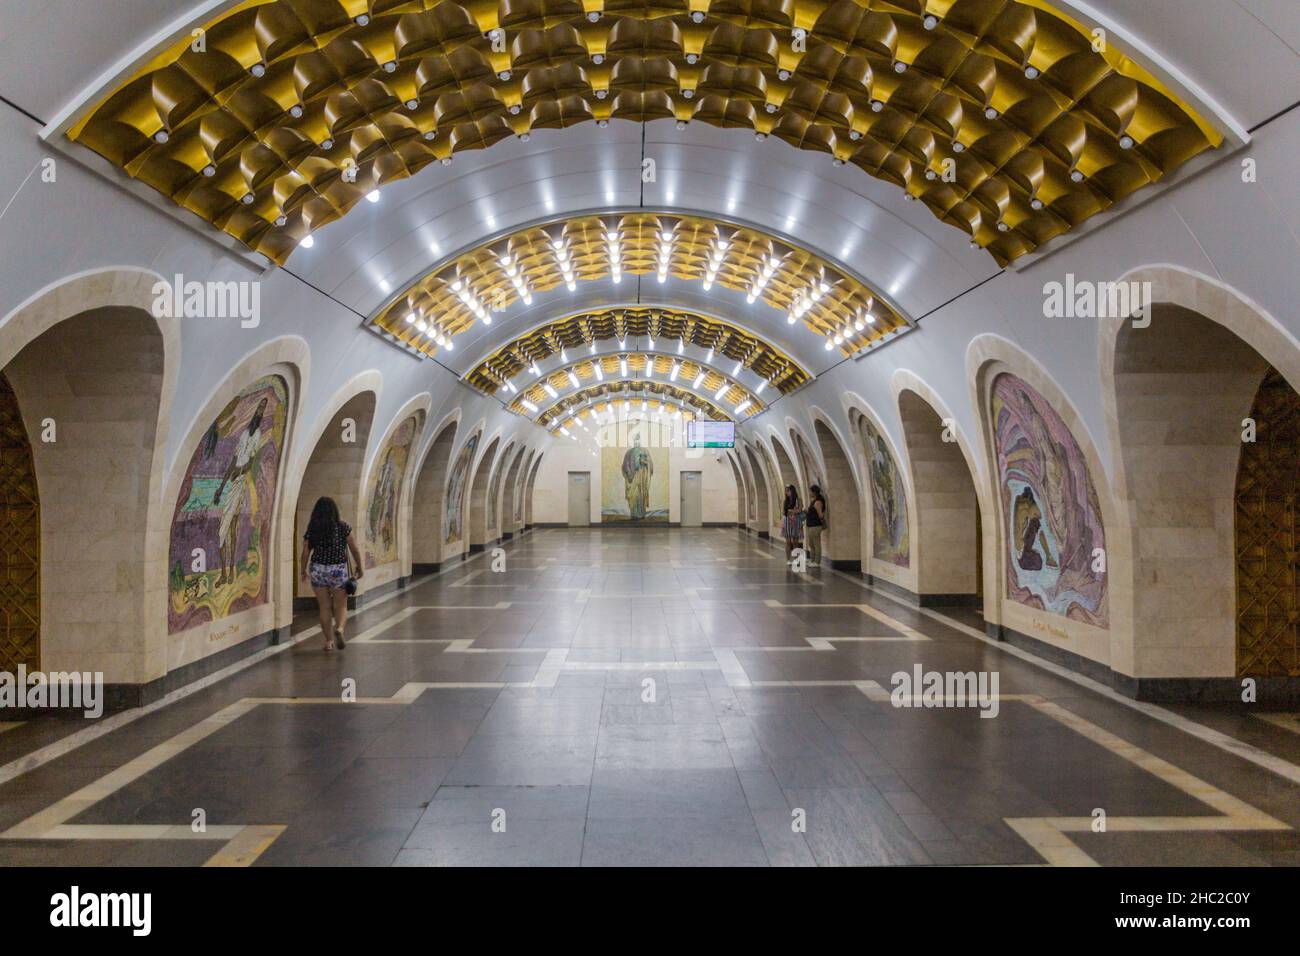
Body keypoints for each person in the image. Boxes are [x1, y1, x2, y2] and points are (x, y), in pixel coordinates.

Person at [299, 496, 363, 652]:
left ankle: (328, 641)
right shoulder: (342, 527)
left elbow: (305, 552)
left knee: (324, 607)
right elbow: (354, 548)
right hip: (338, 570)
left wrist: (303, 570)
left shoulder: (313, 529)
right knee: (340, 605)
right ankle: (340, 629)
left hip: (318, 570)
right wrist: (360, 566)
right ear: (334, 511)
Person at [805, 484, 827, 566]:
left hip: (815, 525)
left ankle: (817, 562)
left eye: (810, 491)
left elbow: (820, 515)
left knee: (816, 543)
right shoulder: (813, 501)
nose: (809, 493)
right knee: (811, 544)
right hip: (811, 525)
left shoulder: (818, 502)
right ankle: (812, 560)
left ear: (814, 492)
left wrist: (822, 523)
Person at [781, 485, 804, 561]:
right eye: (786, 491)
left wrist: (792, 511)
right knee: (788, 542)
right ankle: (788, 559)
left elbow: (800, 510)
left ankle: (796, 559)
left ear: (792, 491)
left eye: (788, 491)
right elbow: (784, 512)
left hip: (796, 522)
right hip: (787, 521)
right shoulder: (786, 501)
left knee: (795, 542)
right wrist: (787, 512)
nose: (786, 492)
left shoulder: (798, 500)